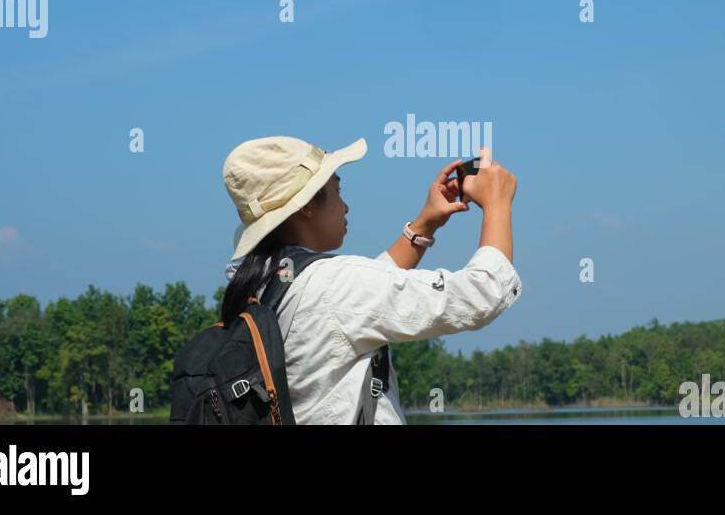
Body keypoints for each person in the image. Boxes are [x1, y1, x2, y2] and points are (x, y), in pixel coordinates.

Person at [221, 135, 521, 424]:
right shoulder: (333, 285)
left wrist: (424, 225)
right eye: (338, 191)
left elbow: (357, 305)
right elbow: (480, 295)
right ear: (307, 207)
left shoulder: (261, 280)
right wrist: (498, 204)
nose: (345, 206)